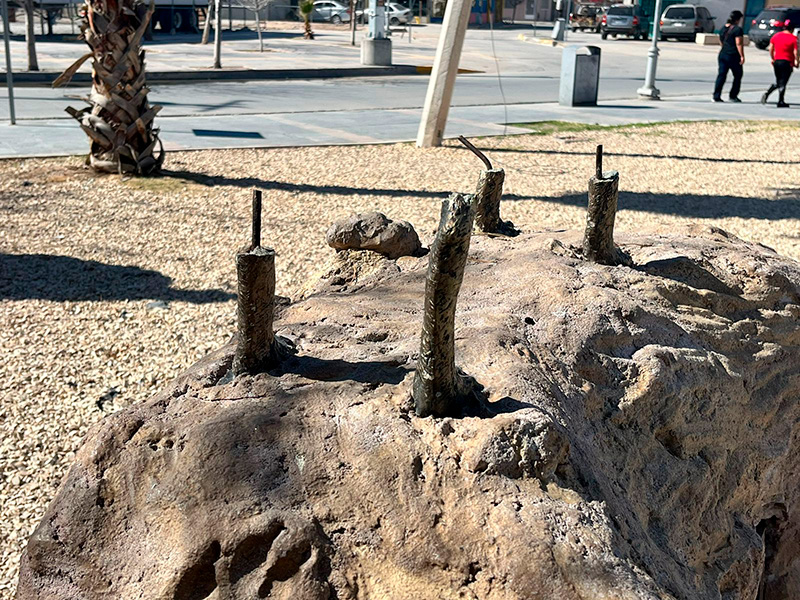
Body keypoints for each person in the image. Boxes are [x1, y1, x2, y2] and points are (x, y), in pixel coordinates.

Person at [762, 22, 799, 107]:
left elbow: (771, 48)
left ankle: (768, 94)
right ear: (792, 29)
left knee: (779, 81)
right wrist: (797, 62)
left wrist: (773, 58)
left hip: (777, 61)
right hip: (787, 62)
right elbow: (796, 52)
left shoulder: (776, 36)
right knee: (783, 82)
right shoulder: (793, 38)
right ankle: (780, 101)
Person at [713, 10, 745, 102]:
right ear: (738, 19)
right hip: (733, 55)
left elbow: (721, 41)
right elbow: (739, 43)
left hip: (723, 54)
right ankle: (733, 96)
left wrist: (725, 47)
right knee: (738, 75)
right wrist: (742, 56)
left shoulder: (723, 28)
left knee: (721, 75)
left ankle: (716, 96)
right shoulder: (737, 30)